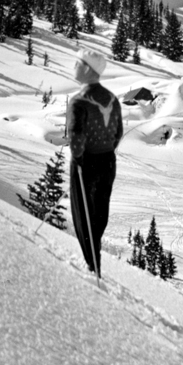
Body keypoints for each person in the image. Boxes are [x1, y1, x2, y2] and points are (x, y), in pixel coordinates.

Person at [64, 50, 122, 276]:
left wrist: (78, 158)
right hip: (108, 160)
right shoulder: (111, 98)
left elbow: (76, 137)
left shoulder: (79, 102)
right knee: (99, 214)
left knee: (83, 213)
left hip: (85, 162)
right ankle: (94, 259)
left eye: (77, 63)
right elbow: (118, 133)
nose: (74, 66)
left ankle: (92, 264)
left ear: (88, 69)